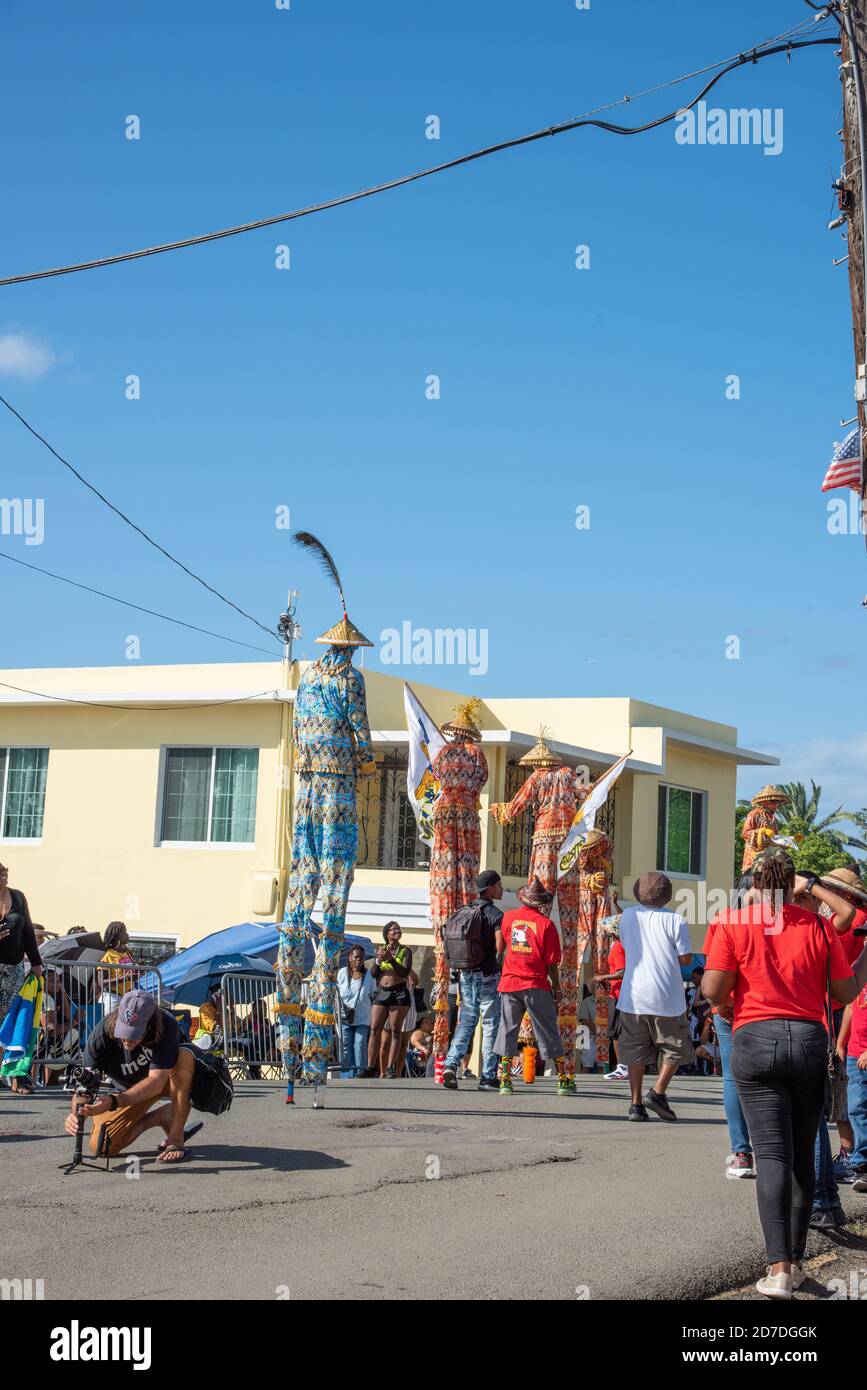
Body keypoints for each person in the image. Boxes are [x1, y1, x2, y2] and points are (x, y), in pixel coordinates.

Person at [703, 850, 865, 1299]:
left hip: (756, 1040)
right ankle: (793, 1263)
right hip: (810, 1043)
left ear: (755, 882)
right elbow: (845, 991)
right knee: (799, 1155)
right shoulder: (815, 925)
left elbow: (714, 990)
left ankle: (777, 1270)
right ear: (794, 883)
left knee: (771, 1156)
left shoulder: (731, 922)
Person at [64, 989, 229, 1163]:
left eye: (134, 1033)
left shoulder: (166, 1024)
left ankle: (176, 1137)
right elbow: (84, 1085)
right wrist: (75, 1114)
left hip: (164, 1080)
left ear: (150, 1024)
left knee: (185, 1056)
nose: (127, 1040)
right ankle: (160, 1117)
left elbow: (156, 1081)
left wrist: (114, 1102)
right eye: (124, 1032)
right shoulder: (101, 1035)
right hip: (127, 1091)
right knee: (103, 1147)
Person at [615, 872, 694, 1121]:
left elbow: (627, 946)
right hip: (666, 997)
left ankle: (636, 1105)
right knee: (674, 1048)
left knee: (635, 1052)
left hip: (633, 996)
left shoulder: (627, 916)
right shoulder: (675, 920)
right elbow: (685, 959)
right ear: (667, 894)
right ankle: (658, 1092)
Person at [492, 878, 572, 1096]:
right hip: (536, 983)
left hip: (510, 982)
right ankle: (563, 1080)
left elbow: (501, 947)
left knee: (508, 1029)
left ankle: (505, 1080)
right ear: (542, 903)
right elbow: (552, 962)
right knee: (548, 1029)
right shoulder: (547, 925)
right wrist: (557, 988)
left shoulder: (508, 918)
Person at [442, 869, 504, 1092]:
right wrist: (500, 963)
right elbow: (500, 946)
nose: (501, 889)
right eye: (498, 885)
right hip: (488, 975)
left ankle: (451, 1064)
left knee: (466, 1021)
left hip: (466, 974)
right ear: (489, 889)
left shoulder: (464, 910)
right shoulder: (495, 914)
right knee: (489, 1024)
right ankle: (488, 1076)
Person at [0, 862, 44, 1091]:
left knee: (16, 1021)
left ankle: (16, 1075)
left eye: (4, 870)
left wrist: (36, 964)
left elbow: (27, 931)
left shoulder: (18, 897)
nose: (4, 874)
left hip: (14, 970)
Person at [360, 923, 413, 1078]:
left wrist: (391, 959)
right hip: (382, 992)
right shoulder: (382, 950)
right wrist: (378, 960)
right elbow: (375, 973)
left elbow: (404, 972)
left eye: (399, 929)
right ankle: (370, 1067)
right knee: (375, 1028)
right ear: (387, 934)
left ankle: (390, 1067)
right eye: (393, 929)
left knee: (395, 1031)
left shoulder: (406, 951)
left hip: (399, 993)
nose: (397, 931)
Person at [337, 944, 376, 1078]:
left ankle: (361, 1074)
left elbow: (373, 995)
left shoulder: (369, 975)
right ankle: (347, 1077)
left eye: (361, 958)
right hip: (344, 1017)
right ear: (349, 958)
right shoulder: (342, 973)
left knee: (359, 1044)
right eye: (356, 957)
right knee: (345, 1047)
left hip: (363, 1017)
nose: (358, 961)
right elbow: (336, 993)